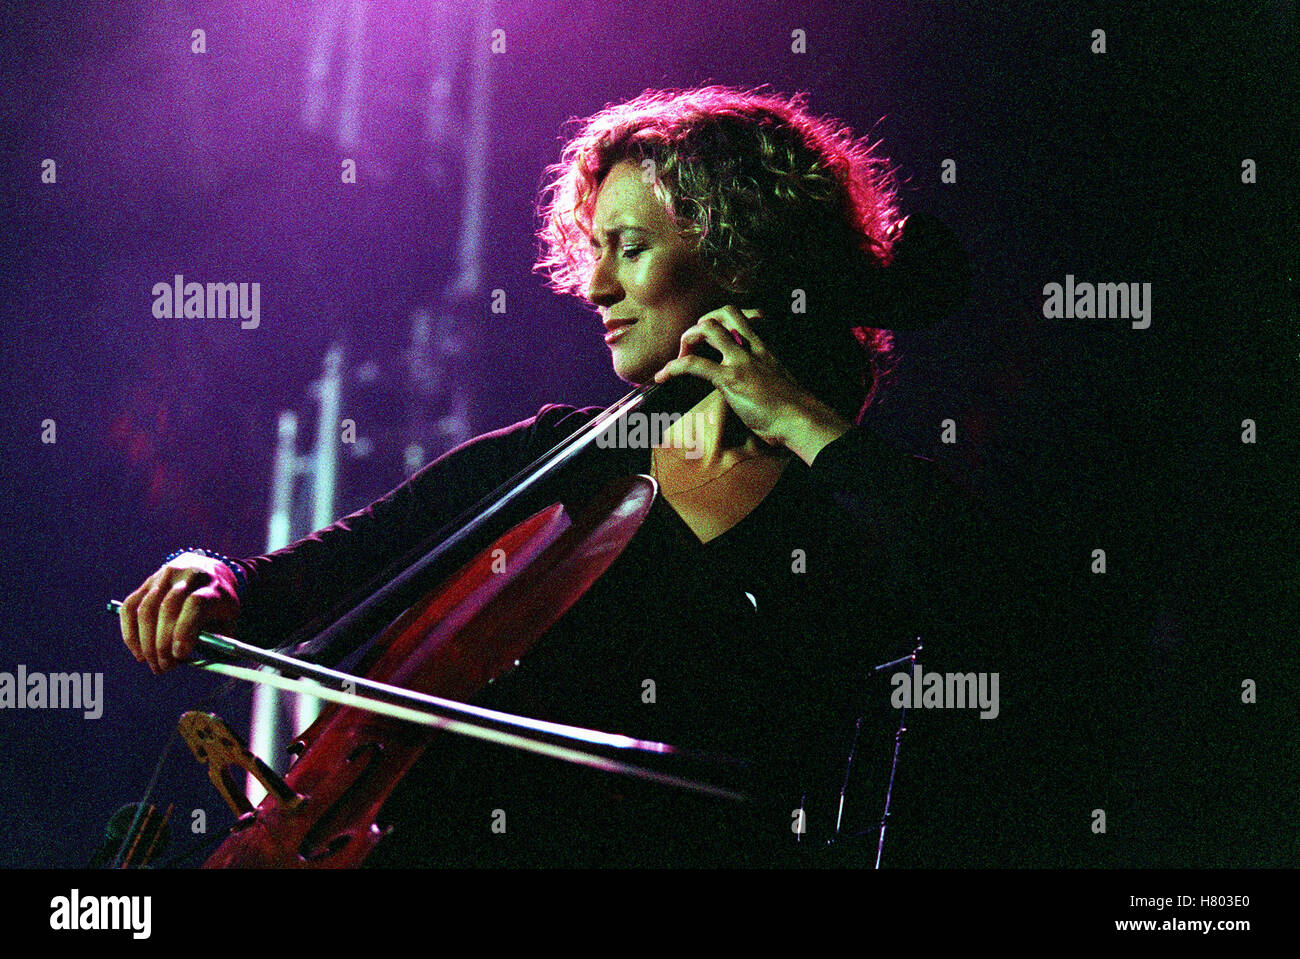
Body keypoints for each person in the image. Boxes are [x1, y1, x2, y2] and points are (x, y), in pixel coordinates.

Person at [119, 85, 1003, 867]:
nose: (597, 285)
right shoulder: (555, 456)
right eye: (596, 248)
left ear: (742, 257)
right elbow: (327, 570)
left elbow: (1000, 596)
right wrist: (215, 577)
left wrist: (804, 423)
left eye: (631, 247)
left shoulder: (842, 508)